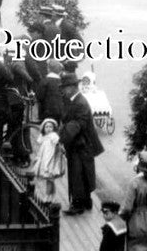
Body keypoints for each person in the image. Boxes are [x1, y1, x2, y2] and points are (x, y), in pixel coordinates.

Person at [58, 72, 103, 215]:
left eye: (64, 87)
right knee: (82, 172)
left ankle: (78, 204)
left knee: (78, 173)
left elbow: (78, 124)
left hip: (82, 144)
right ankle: (85, 201)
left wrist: (61, 137)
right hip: (78, 144)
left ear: (72, 87)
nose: (63, 90)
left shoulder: (80, 103)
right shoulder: (72, 100)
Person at [120, 150, 147, 251]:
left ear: (139, 166)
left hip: (136, 225)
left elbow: (127, 208)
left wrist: (120, 217)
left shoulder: (134, 183)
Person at [29, 117, 64, 206]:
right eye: (46, 127)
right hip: (44, 160)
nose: (48, 129)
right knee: (49, 181)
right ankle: (51, 197)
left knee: (50, 180)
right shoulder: (44, 137)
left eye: (50, 127)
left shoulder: (53, 136)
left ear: (53, 128)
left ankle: (47, 198)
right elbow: (41, 149)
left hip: (50, 161)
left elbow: (58, 145)